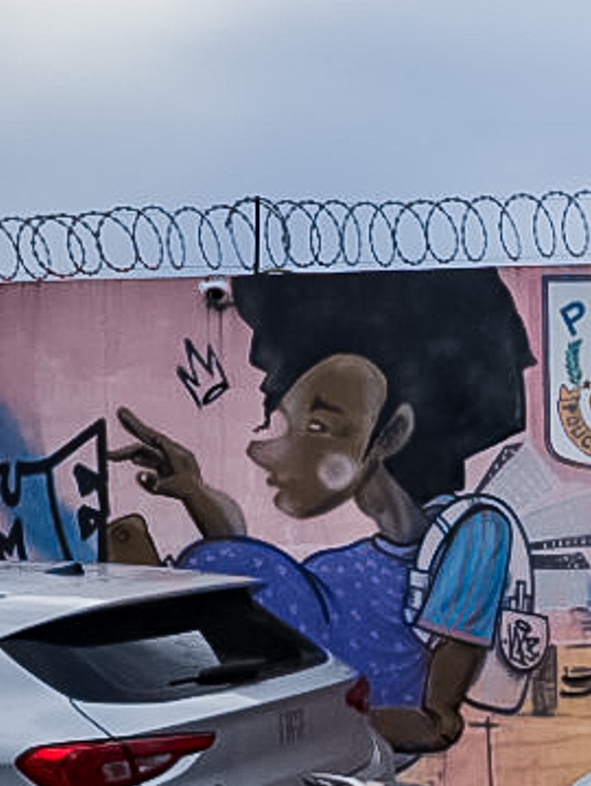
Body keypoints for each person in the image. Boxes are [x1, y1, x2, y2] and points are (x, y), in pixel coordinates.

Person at [112, 270, 531, 755]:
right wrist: (193, 491)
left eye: (315, 425)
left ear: (391, 434)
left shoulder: (472, 531)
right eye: (283, 421)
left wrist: (307, 730)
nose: (264, 451)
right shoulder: (348, 567)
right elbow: (248, 571)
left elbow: (439, 722)